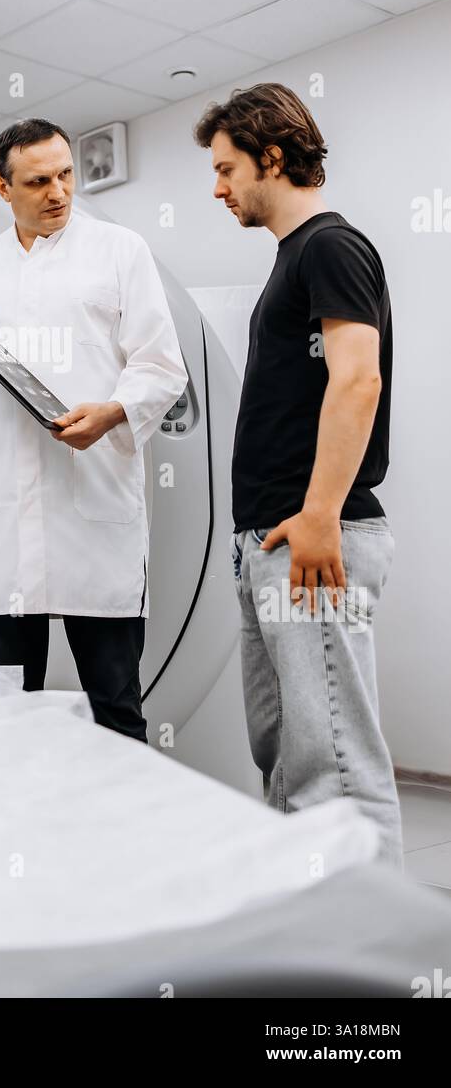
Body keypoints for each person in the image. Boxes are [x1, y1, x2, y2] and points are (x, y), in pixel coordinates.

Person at [0, 119, 187, 741]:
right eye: (38, 181)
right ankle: (19, 833)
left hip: (96, 507)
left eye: (65, 175)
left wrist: (113, 412)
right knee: (7, 707)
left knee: (115, 705)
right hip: (6, 518)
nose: (58, 192)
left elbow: (162, 366)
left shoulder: (120, 251)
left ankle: (122, 832)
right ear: (3, 189)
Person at [194, 82, 402, 865]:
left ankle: (372, 955)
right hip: (276, 541)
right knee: (285, 757)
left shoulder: (329, 247)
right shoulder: (294, 260)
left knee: (334, 769)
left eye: (225, 169)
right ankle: (307, 933)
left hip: (317, 535)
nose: (218, 188)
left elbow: (358, 381)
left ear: (270, 157)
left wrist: (318, 515)